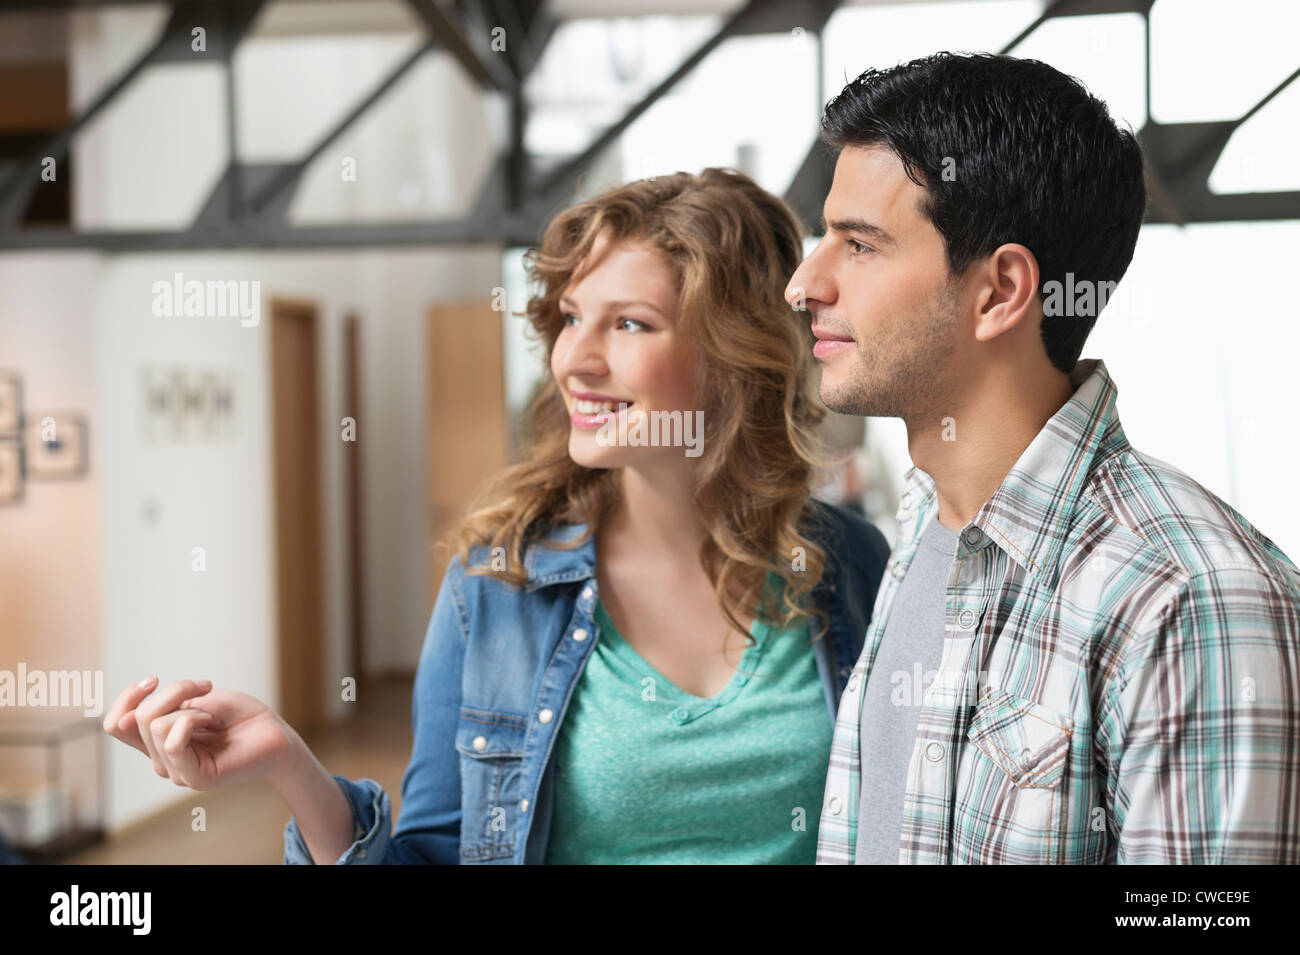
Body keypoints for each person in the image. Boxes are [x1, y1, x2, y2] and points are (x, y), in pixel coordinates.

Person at [102, 168, 891, 864]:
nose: (575, 359)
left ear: (737, 355)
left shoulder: (848, 563)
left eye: (628, 323)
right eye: (572, 317)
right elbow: (436, 855)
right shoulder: (498, 584)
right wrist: (290, 768)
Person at [788, 51, 1300, 864]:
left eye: (858, 245)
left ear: (1000, 292)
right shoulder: (928, 524)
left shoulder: (1190, 595)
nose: (804, 283)